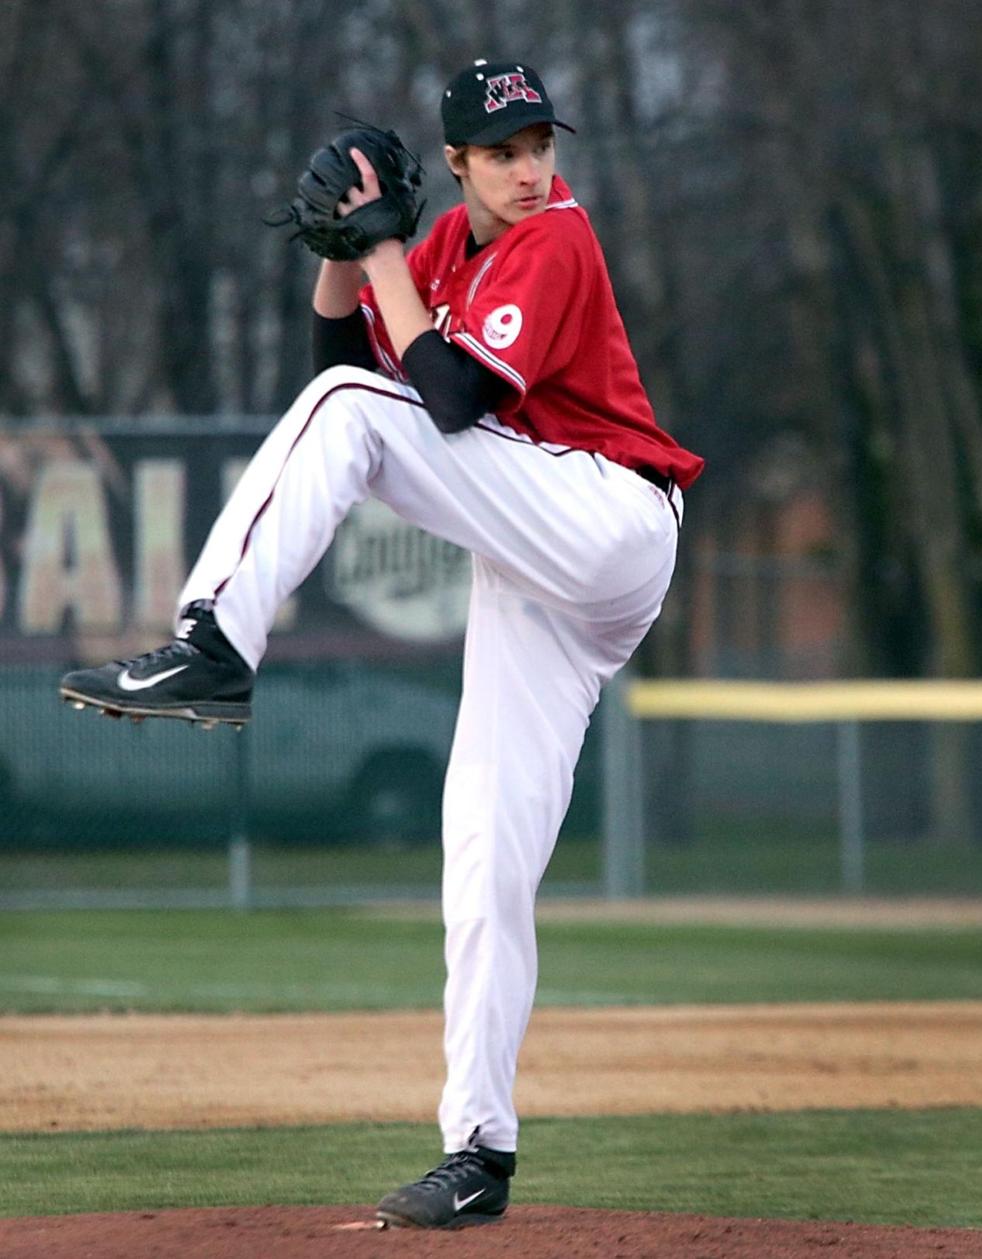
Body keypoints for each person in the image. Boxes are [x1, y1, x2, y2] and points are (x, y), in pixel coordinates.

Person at [60, 59, 704, 1229]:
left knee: (363, 412)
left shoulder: (555, 237)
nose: (529, 166)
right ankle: (479, 1150)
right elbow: (338, 378)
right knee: (483, 857)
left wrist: (385, 256)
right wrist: (339, 247)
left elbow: (443, 400)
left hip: (609, 518)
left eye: (539, 142)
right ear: (456, 163)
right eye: (502, 149)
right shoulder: (446, 244)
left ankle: (211, 638)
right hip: (535, 565)